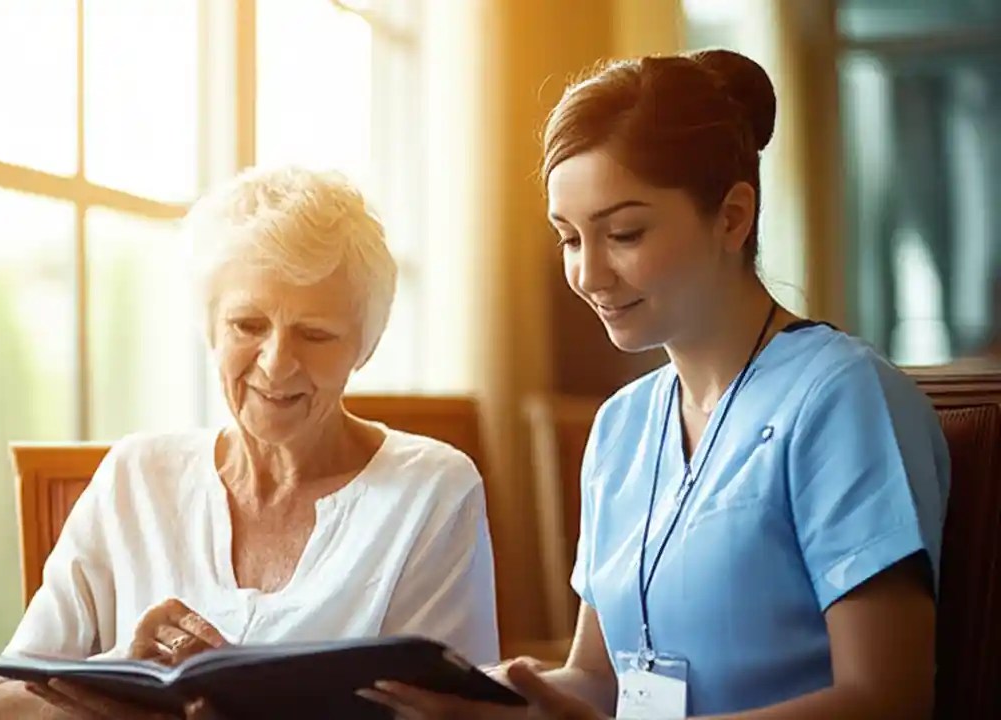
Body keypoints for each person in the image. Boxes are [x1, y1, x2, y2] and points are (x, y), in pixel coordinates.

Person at [364, 49, 949, 719]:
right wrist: (505, 702)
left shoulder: (840, 397)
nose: (588, 274)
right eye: (569, 238)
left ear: (732, 217)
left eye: (623, 233)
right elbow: (598, 682)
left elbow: (888, 699)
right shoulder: (623, 425)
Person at [0, 166, 500, 719]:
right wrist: (115, 685)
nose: (276, 364)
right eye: (248, 325)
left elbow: (452, 714)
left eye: (315, 333)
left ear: (363, 347)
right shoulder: (135, 475)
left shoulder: (432, 489)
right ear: (212, 329)